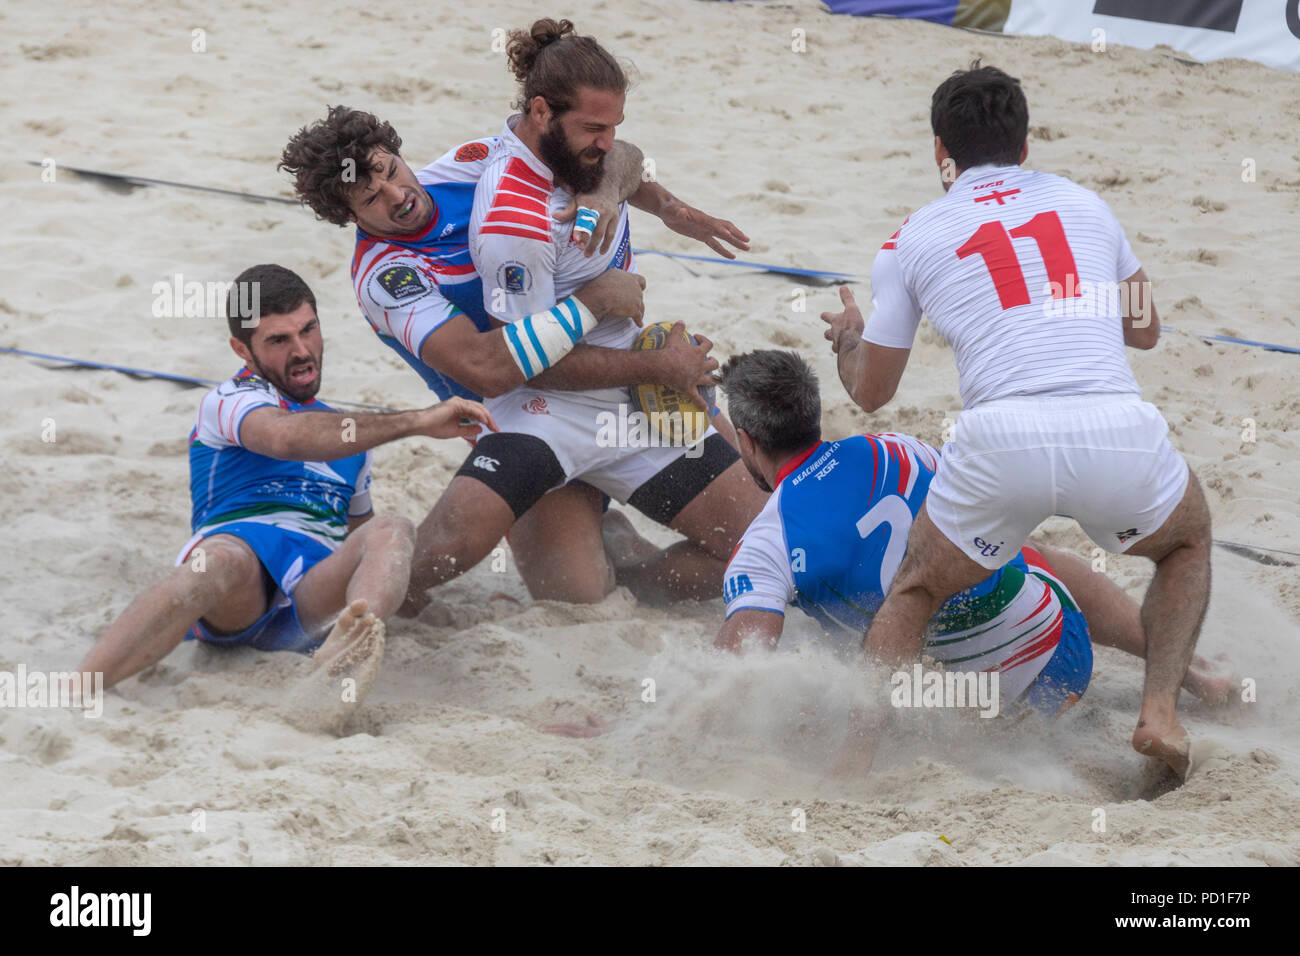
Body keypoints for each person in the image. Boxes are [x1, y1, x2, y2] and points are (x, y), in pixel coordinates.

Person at [823, 63, 1212, 776]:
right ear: (1026, 145)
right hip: (1114, 427)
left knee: (915, 589)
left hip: (1001, 442)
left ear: (941, 150)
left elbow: (873, 394)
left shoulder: (909, 239)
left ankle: (853, 757)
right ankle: (1159, 711)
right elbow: (1147, 331)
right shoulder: (1087, 205)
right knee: (1185, 544)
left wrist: (850, 339)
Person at [280, 95, 750, 605]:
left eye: (392, 170)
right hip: (524, 413)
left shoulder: (471, 163)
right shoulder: (386, 278)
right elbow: (488, 369)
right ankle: (335, 593)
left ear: (396, 151)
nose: (397, 195)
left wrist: (637, 200)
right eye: (371, 198)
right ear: (345, 215)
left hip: (615, 379)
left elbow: (613, 152)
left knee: (756, 548)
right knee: (576, 600)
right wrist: (605, 313)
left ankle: (624, 553)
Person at [77, 264, 495, 726]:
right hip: (240, 583)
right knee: (219, 560)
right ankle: (80, 687)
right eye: (278, 340)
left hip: (310, 601)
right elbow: (283, 438)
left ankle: (333, 678)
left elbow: (363, 544)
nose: (301, 351)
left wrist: (421, 602)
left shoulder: (348, 439)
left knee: (392, 528)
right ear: (243, 349)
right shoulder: (231, 399)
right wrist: (417, 421)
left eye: (308, 330)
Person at [454, 16, 768, 607]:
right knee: (579, 600)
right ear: (541, 112)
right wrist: (660, 367)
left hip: (633, 399)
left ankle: (636, 563)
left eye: (612, 124)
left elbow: (625, 156)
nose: (604, 141)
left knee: (765, 553)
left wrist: (667, 207)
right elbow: (526, 365)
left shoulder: (579, 155)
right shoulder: (514, 222)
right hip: (544, 412)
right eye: (592, 127)